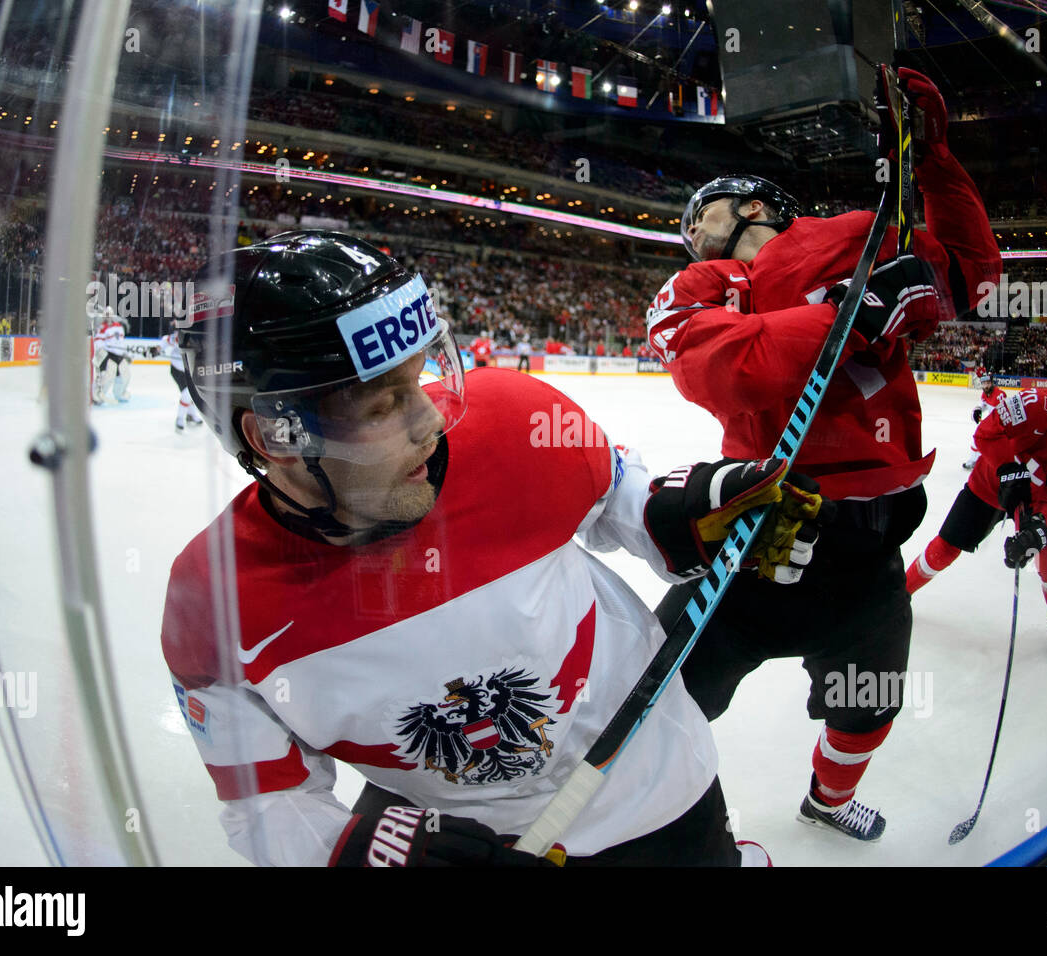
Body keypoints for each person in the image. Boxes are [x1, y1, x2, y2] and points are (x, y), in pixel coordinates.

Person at [161, 232, 826, 867]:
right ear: (275, 435)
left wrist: (680, 510)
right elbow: (264, 800)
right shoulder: (212, 606)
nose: (428, 423)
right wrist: (356, 852)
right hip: (473, 842)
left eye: (418, 379)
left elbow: (619, 498)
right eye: (378, 407)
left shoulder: (512, 423)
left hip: (663, 798)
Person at [644, 66, 1002, 841]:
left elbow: (974, 275)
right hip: (753, 548)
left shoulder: (853, 235)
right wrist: (848, 314)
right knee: (648, 698)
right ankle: (649, 822)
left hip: (868, 558)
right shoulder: (700, 284)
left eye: (697, 219)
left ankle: (827, 799)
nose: (688, 238)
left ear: (749, 206)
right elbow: (724, 372)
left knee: (867, 707)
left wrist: (934, 159)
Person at [906, 366, 1047, 652]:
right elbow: (985, 433)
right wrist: (1008, 468)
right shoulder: (1034, 403)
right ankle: (903, 591)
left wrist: (1038, 524)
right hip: (986, 486)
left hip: (1029, 499)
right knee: (948, 545)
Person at [157, 328, 203, 432]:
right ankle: (180, 419)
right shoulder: (180, 335)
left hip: (189, 371)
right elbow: (166, 341)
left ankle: (191, 415)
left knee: (191, 394)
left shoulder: (197, 336)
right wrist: (157, 349)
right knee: (187, 394)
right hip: (177, 370)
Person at [962, 370, 1006, 470]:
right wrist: (978, 409)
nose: (986, 386)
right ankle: (976, 461)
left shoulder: (1000, 395)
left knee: (981, 439)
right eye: (984, 383)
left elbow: (1002, 414)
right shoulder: (985, 394)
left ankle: (978, 461)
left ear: (992, 383)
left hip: (1000, 426)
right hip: (993, 423)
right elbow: (983, 404)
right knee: (978, 439)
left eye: (988, 383)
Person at [93, 307, 133, 404]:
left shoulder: (118, 326)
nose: (107, 317)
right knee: (107, 376)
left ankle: (119, 394)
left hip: (119, 355)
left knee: (125, 375)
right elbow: (98, 342)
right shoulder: (102, 328)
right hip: (109, 354)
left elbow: (121, 341)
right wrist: (103, 350)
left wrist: (125, 353)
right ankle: (97, 395)